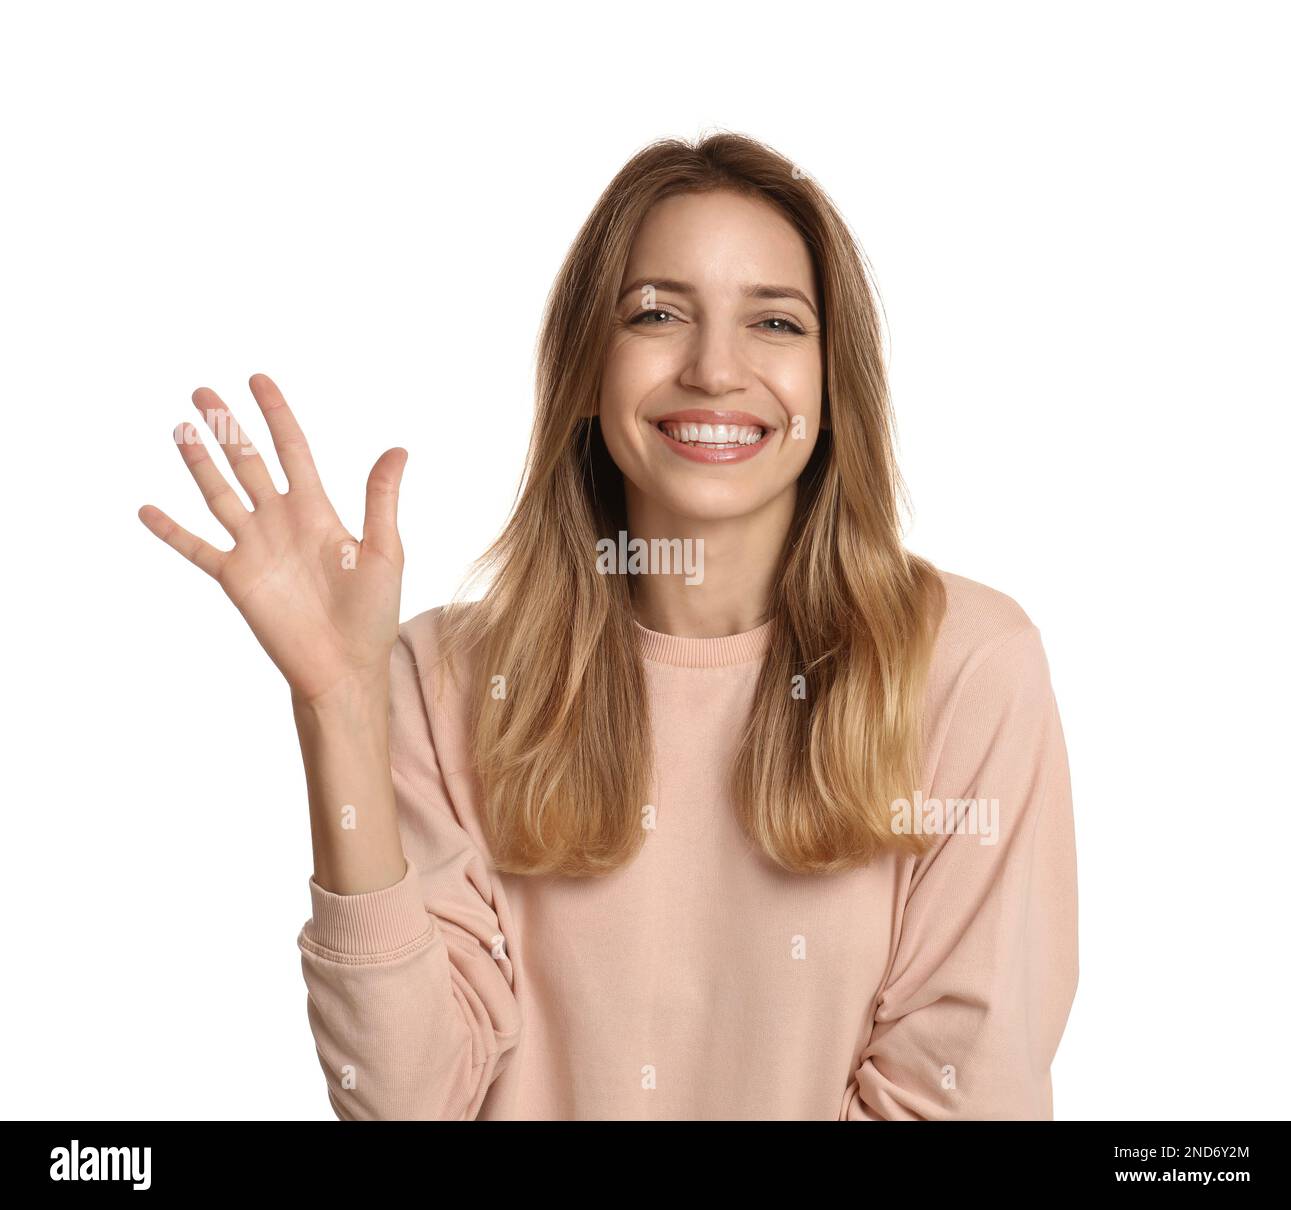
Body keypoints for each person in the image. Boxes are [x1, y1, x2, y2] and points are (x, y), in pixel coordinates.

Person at [138, 132, 1079, 1120]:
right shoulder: (441, 678)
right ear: (587, 370)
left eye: (775, 322)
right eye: (657, 313)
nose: (715, 369)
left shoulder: (967, 669)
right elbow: (409, 1100)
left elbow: (961, 1100)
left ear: (833, 383)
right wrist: (339, 706)